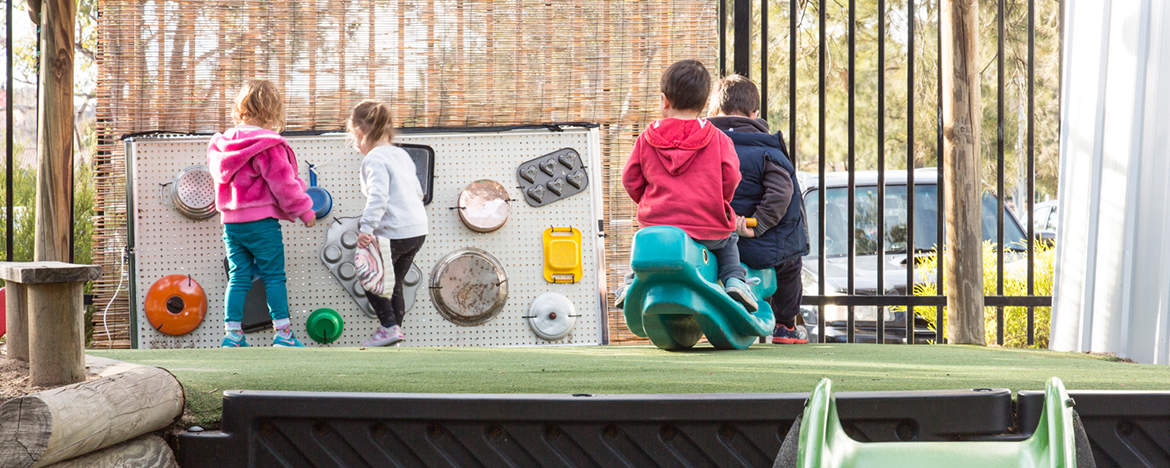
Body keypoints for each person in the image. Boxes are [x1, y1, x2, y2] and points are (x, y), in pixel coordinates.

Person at [621, 59, 758, 312]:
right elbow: (732, 177)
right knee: (729, 240)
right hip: (707, 227)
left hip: (659, 227)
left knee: (644, 243)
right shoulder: (719, 139)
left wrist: (651, 203)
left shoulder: (646, 138)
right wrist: (718, 200)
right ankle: (734, 280)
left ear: (664, 100)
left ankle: (632, 281)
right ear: (705, 104)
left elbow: (630, 179)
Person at [208, 79, 316, 348]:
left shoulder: (222, 145)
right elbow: (284, 184)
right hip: (261, 224)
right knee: (273, 276)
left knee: (238, 276)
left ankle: (233, 335)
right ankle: (284, 334)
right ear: (272, 110)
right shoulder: (267, 144)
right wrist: (304, 210)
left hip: (232, 224)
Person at [707, 74, 810, 344]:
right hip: (757, 243)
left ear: (714, 111)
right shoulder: (766, 150)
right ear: (755, 114)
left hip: (713, 241)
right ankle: (785, 325)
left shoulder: (703, 146)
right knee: (790, 263)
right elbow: (781, 192)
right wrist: (757, 224)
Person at [348, 100, 429, 347]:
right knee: (394, 284)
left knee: (368, 273)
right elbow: (419, 191)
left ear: (360, 133)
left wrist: (367, 228)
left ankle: (387, 327)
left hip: (394, 232)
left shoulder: (373, 159)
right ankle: (394, 334)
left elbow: (378, 196)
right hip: (416, 231)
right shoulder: (401, 154)